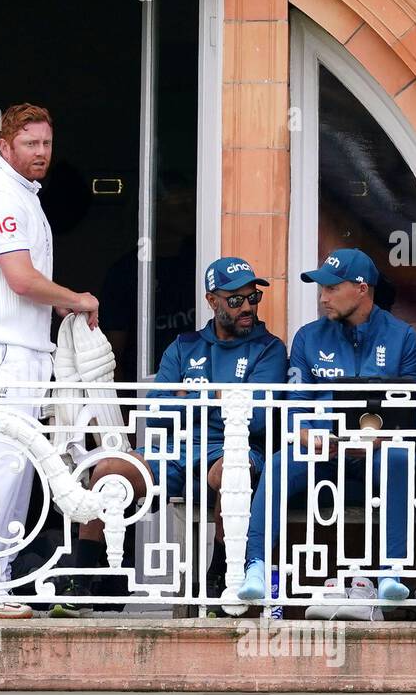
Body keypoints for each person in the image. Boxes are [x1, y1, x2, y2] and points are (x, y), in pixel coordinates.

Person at [53, 257, 287, 617]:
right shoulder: (185, 345)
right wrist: (215, 397)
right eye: (236, 300)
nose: (247, 308)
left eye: (252, 298)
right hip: (175, 450)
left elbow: (257, 419)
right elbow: (157, 410)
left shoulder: (269, 348)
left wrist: (189, 397)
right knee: (108, 469)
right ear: (212, 301)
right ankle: (81, 579)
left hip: (231, 452)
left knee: (230, 472)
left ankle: (220, 574)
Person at [0, 102, 101, 618]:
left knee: (15, 466)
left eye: (46, 143)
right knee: (3, 461)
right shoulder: (0, 196)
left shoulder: (19, 194)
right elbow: (19, 278)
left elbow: (22, 282)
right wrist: (76, 299)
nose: (41, 153)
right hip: (1, 349)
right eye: (30, 144)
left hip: (20, 346)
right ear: (5, 145)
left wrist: (61, 301)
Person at [241, 248, 416, 620]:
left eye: (331, 287)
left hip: (377, 449)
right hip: (321, 447)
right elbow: (293, 405)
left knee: (400, 458)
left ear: (361, 289)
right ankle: (255, 567)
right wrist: (308, 435)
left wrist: (382, 437)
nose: (323, 297)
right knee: (278, 464)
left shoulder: (402, 336)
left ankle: (390, 572)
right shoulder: (309, 337)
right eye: (320, 289)